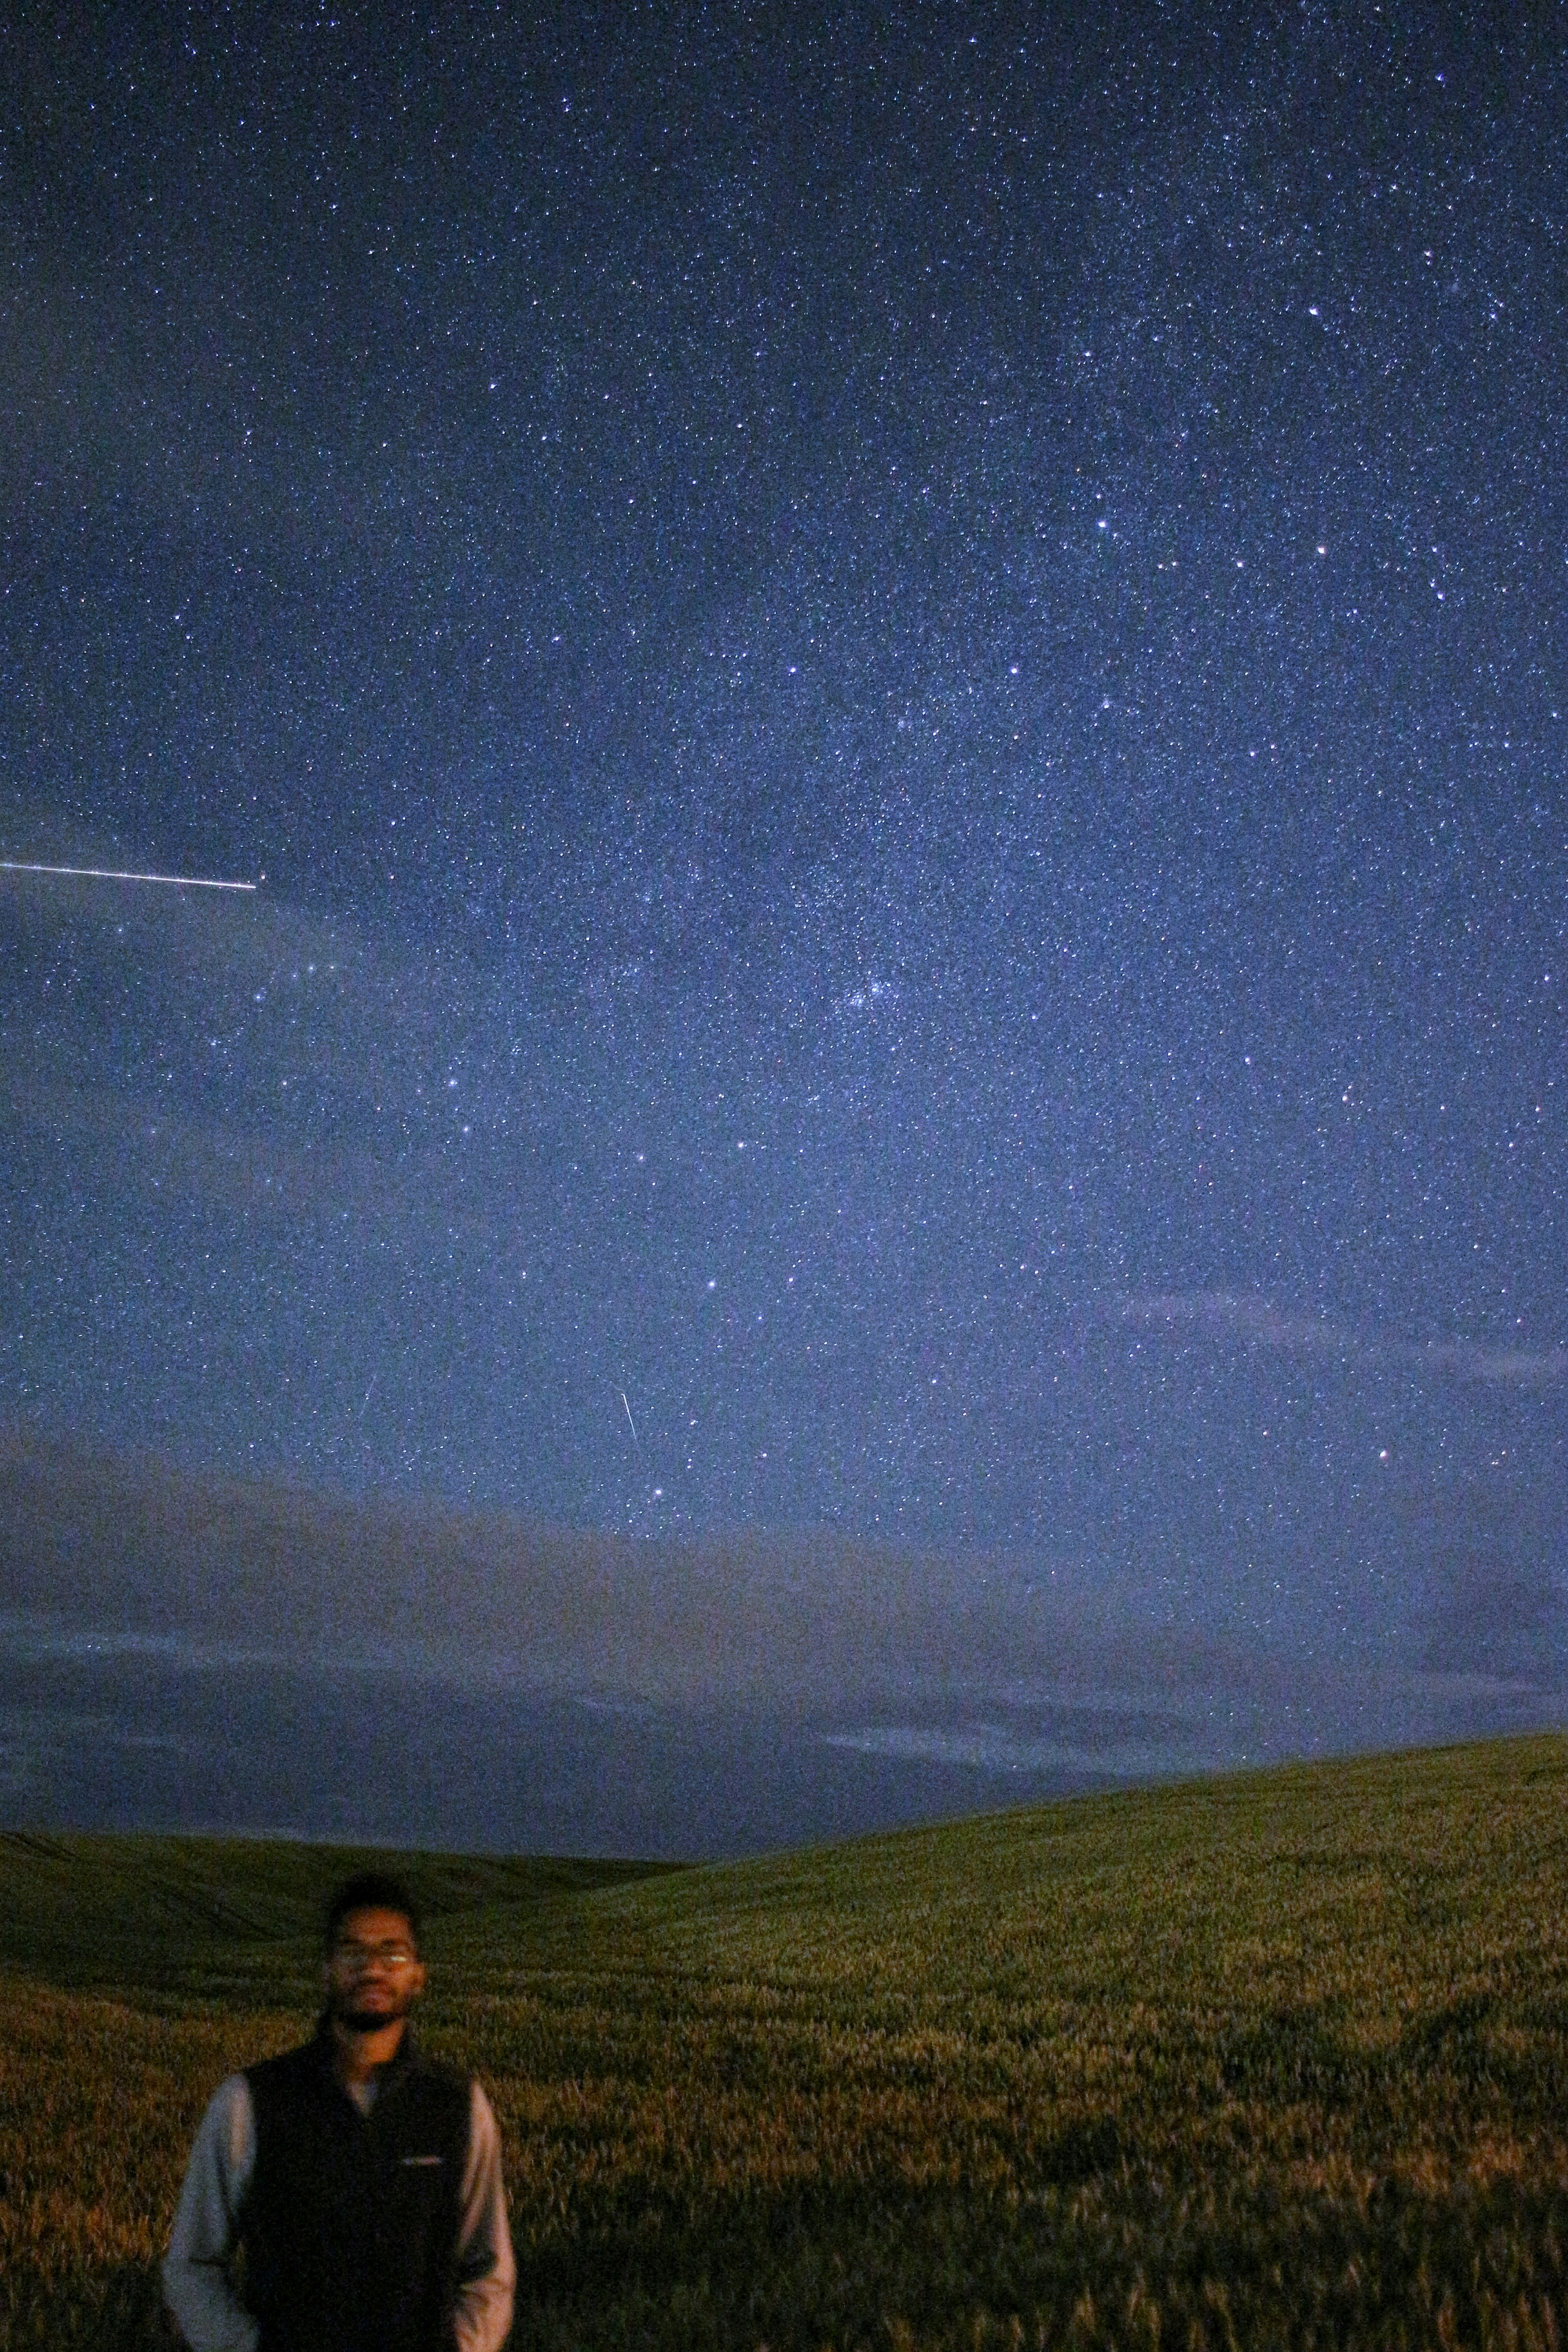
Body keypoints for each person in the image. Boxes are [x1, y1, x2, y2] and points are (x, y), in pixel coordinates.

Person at [162, 1870, 515, 2352]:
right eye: (353, 1953)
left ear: (418, 1974)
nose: (373, 1969)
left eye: (393, 1953)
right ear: (326, 1970)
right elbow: (193, 2265)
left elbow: (489, 2271)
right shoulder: (249, 2103)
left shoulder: (459, 2106)